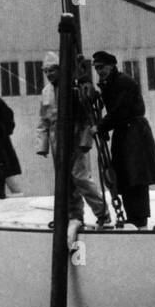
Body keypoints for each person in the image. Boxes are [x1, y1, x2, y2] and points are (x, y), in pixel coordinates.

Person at [36, 50, 109, 227]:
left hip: (74, 139)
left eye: (52, 70)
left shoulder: (74, 89)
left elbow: (86, 117)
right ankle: (74, 215)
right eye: (46, 71)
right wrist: (42, 146)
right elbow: (43, 120)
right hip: (56, 141)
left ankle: (103, 213)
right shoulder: (46, 92)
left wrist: (85, 142)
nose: (49, 74)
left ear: (61, 69)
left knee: (80, 177)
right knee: (64, 180)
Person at [91, 51, 155, 228]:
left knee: (136, 177)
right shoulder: (110, 83)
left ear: (111, 66)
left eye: (102, 67)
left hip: (134, 133)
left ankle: (139, 220)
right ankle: (134, 218)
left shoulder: (123, 82)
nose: (100, 71)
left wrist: (100, 127)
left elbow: (119, 111)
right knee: (126, 177)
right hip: (125, 132)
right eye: (97, 68)